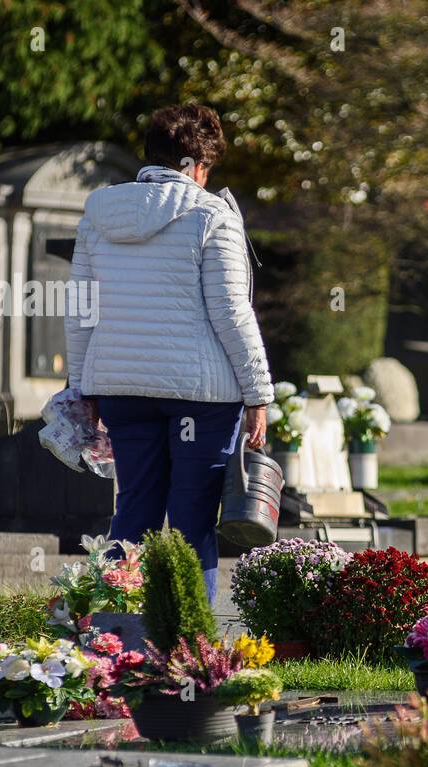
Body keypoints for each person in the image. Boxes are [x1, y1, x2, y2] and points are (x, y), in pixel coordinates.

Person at [64, 103, 273, 603]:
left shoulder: (98, 214)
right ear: (198, 165)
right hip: (200, 395)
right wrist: (257, 393)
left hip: (121, 389)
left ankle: (113, 636)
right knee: (191, 517)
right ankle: (187, 642)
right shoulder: (211, 215)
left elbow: (78, 311)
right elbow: (230, 311)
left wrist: (82, 386)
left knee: (132, 512)